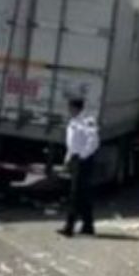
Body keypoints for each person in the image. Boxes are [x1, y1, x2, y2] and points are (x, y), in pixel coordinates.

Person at [60, 96, 100, 237]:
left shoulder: (87, 121)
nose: (69, 110)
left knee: (75, 194)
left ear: (77, 108)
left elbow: (93, 142)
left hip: (84, 160)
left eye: (71, 107)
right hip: (75, 159)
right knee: (82, 195)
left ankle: (69, 227)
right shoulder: (73, 121)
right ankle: (88, 226)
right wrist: (68, 158)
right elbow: (72, 143)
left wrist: (82, 156)